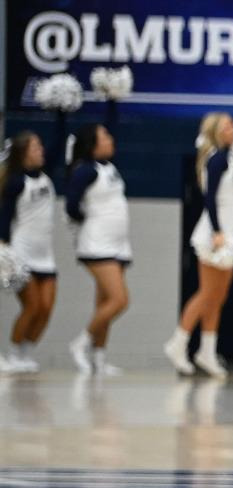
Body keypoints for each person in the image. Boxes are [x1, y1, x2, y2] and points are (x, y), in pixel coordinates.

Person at [165, 111, 233, 377]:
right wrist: (218, 232)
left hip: (227, 233)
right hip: (214, 233)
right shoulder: (217, 158)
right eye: (227, 125)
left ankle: (207, 352)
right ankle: (178, 344)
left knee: (217, 297)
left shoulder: (231, 158)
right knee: (207, 294)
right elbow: (209, 199)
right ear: (216, 132)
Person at [64, 122, 130, 375]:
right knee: (119, 300)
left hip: (118, 244)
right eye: (105, 136)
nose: (111, 139)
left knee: (104, 302)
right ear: (92, 144)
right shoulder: (85, 171)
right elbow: (71, 206)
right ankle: (80, 344)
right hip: (97, 243)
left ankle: (99, 359)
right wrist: (91, 220)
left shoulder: (109, 167)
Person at [0, 130, 58, 374]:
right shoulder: (15, 182)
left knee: (46, 308)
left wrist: (60, 116)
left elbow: (57, 145)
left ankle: (26, 352)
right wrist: (3, 246)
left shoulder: (46, 177)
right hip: (23, 252)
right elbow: (4, 216)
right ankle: (12, 353)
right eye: (35, 147)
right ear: (23, 154)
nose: (41, 150)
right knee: (32, 306)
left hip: (45, 254)